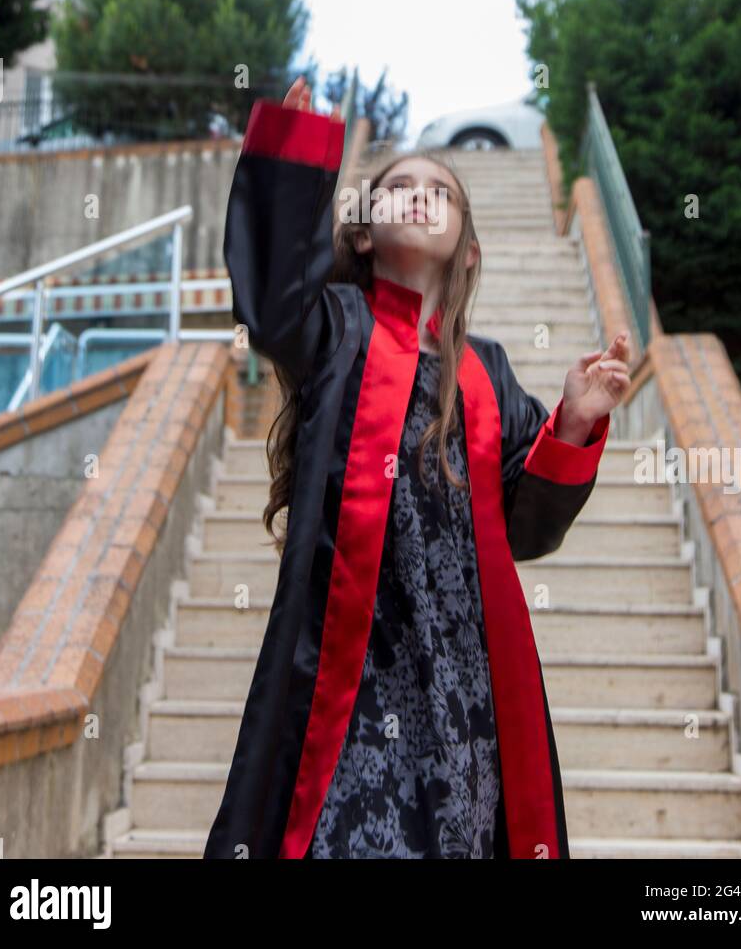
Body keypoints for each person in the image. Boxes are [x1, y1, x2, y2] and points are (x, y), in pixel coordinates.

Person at [203, 76, 632, 860]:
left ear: (469, 249)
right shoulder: (334, 330)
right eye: (398, 187)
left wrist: (573, 420)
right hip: (351, 673)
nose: (419, 195)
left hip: (465, 680)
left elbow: (526, 526)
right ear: (362, 233)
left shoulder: (489, 373)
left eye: (441, 191)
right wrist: (293, 150)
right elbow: (267, 302)